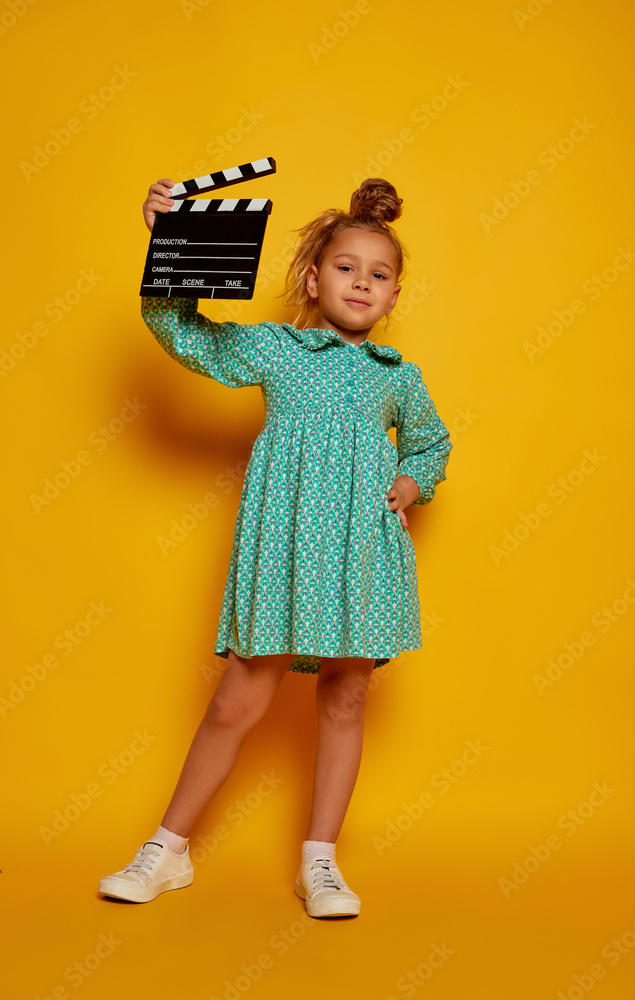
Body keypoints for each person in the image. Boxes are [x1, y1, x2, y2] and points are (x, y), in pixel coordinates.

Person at [98, 175, 452, 918]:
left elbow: (429, 444)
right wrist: (167, 240)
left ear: (393, 296)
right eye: (346, 267)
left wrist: (414, 482)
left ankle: (320, 862)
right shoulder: (276, 351)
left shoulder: (398, 379)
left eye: (378, 274)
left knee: (345, 695)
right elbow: (183, 332)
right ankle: (168, 849)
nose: (362, 282)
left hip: (359, 557)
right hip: (284, 552)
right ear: (313, 276)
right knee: (236, 701)